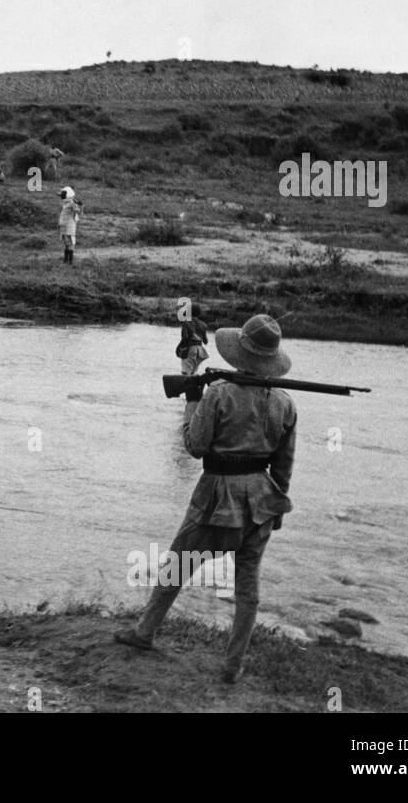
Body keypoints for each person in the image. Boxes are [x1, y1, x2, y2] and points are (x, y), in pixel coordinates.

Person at [115, 315, 297, 684]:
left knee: (177, 565)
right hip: (261, 499)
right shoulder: (285, 402)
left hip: (218, 493)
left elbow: (195, 446)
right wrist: (277, 509)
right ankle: (233, 664)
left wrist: (192, 400)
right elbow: (284, 464)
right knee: (248, 587)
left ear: (238, 352)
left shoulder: (219, 393)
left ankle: (145, 632)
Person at [177, 304, 210, 375]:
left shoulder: (186, 323)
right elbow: (205, 341)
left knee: (185, 373)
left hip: (190, 349)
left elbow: (185, 338)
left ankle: (186, 386)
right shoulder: (203, 325)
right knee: (193, 373)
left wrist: (179, 348)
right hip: (200, 351)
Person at [58, 186, 82, 265]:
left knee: (70, 243)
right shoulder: (66, 203)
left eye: (63, 193)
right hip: (64, 226)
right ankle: (66, 260)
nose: (62, 195)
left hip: (69, 226)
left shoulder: (72, 203)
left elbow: (78, 211)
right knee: (66, 243)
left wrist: (78, 205)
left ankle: (69, 261)